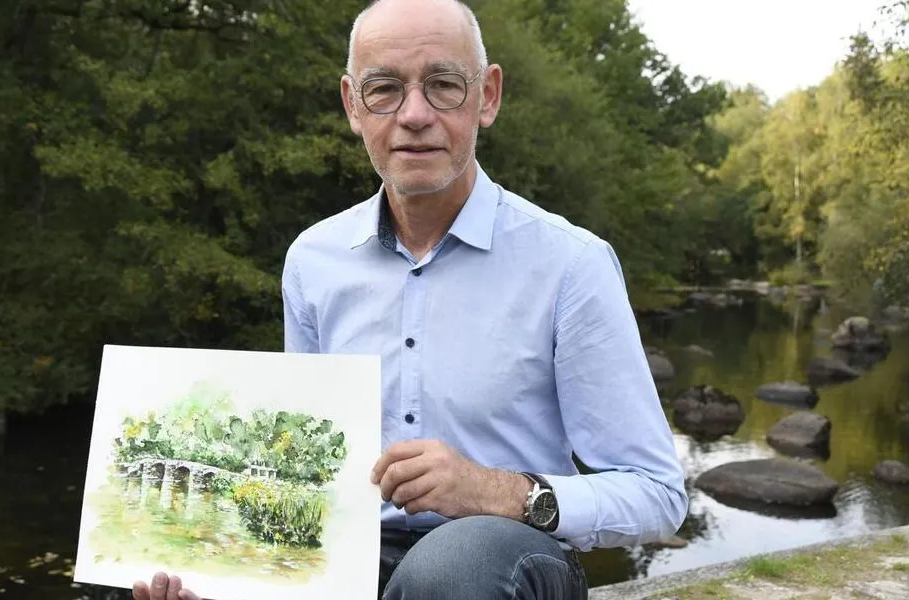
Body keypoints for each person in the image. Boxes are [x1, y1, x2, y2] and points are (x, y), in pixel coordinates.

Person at [132, 0, 687, 598]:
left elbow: (657, 494)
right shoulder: (312, 262)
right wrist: (228, 571)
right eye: (384, 89)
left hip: (506, 559)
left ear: (488, 96)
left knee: (460, 566)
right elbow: (303, 478)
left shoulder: (571, 265)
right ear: (352, 105)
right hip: (347, 558)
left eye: (444, 85)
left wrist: (495, 491)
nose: (414, 114)